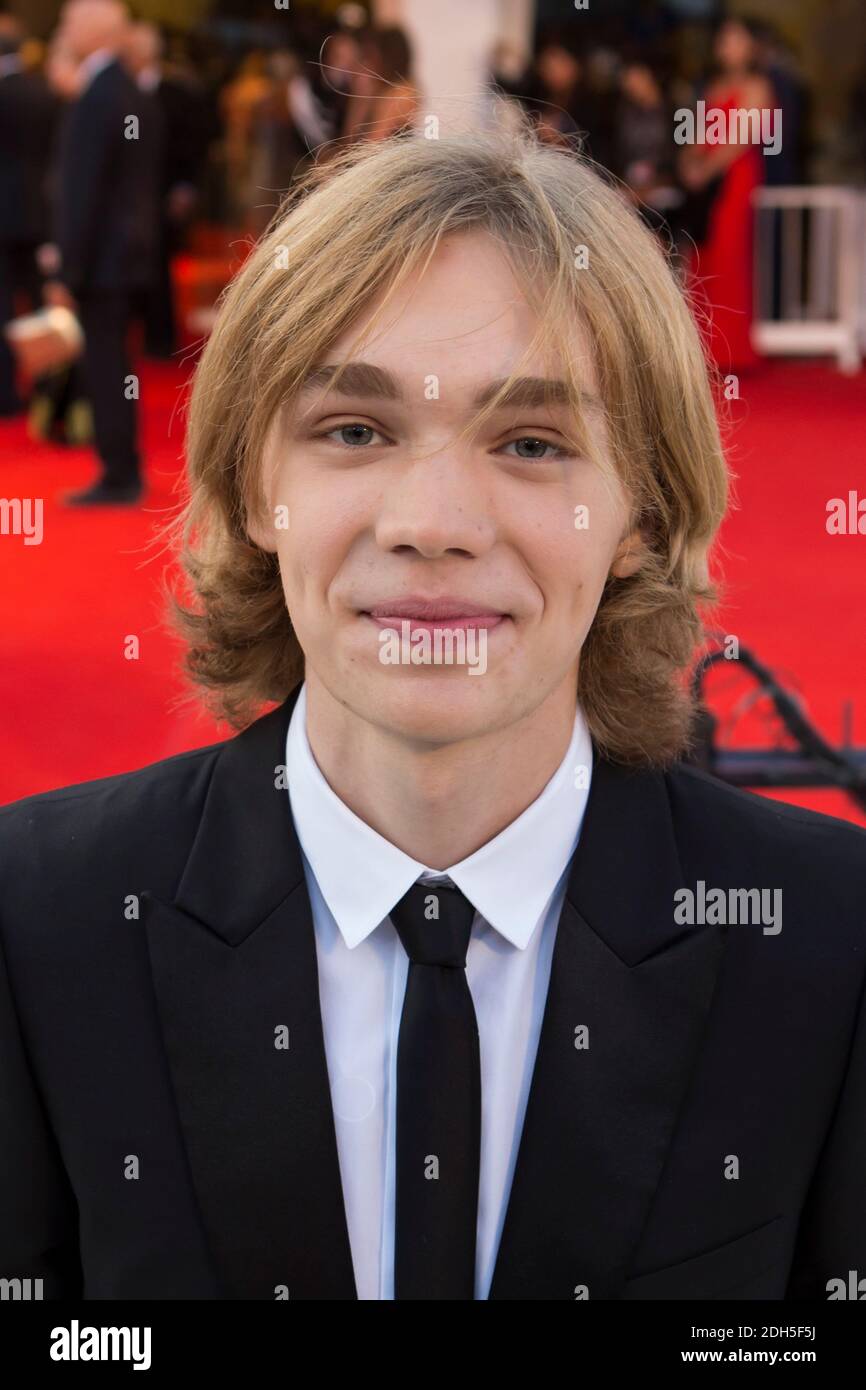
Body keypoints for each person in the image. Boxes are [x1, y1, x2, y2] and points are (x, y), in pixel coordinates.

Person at [1, 126, 865, 1301]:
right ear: (258, 489)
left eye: (529, 442)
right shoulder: (36, 920)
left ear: (641, 518)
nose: (434, 520)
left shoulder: (827, 942)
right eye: (354, 431)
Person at [46, 0, 163, 505]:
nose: (62, 28)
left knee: (107, 365)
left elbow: (83, 190)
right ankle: (121, 468)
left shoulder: (101, 94)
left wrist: (66, 269)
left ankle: (119, 473)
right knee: (117, 363)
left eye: (70, 20)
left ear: (97, 29)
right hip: (125, 254)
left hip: (101, 260)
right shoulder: (128, 88)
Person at [679, 17, 775, 373]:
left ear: (750, 47)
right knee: (703, 255)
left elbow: (741, 139)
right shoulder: (712, 87)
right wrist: (688, 160)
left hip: (734, 181)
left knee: (730, 253)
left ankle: (730, 350)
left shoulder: (758, 86)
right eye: (725, 40)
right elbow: (698, 131)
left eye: (736, 40)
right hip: (706, 180)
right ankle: (703, 347)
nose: (729, 47)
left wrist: (705, 168)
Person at [0, 15, 58, 416]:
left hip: (3, 215)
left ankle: (6, 393)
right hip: (39, 211)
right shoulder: (45, 93)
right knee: (40, 303)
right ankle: (49, 392)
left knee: (3, 304)